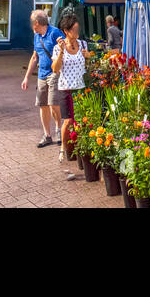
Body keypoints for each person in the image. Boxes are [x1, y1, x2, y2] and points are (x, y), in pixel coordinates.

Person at [50, 13, 87, 178]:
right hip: (66, 88)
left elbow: (88, 59)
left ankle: (81, 147)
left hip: (81, 88)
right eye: (74, 29)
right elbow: (55, 69)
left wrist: (89, 55)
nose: (77, 31)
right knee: (69, 120)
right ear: (66, 30)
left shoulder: (82, 43)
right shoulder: (58, 47)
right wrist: (61, 53)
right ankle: (65, 149)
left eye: (77, 28)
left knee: (82, 120)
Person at [22, 10, 65, 147]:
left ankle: (59, 129)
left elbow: (64, 51)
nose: (31, 25)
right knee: (43, 105)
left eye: (31, 22)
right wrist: (26, 77)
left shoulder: (55, 33)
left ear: (36, 23)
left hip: (54, 73)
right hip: (42, 75)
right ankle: (47, 135)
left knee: (53, 104)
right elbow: (35, 57)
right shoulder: (37, 36)